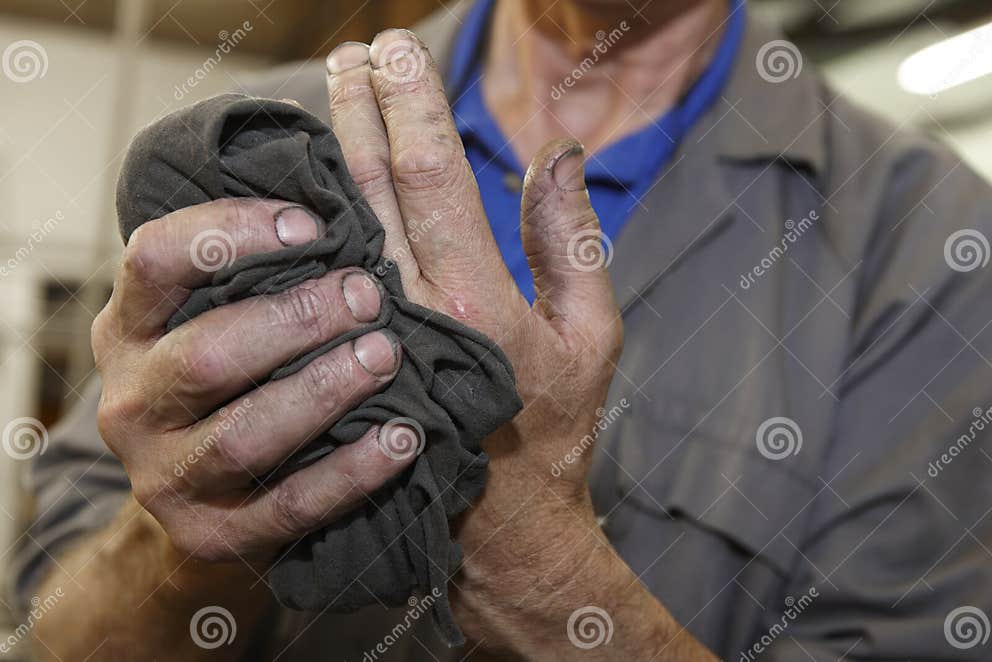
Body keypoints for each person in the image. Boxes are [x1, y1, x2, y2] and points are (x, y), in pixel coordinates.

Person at [9, 0, 992, 659]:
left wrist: (536, 561)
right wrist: (198, 528)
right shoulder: (262, 140)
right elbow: (50, 632)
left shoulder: (926, 239)